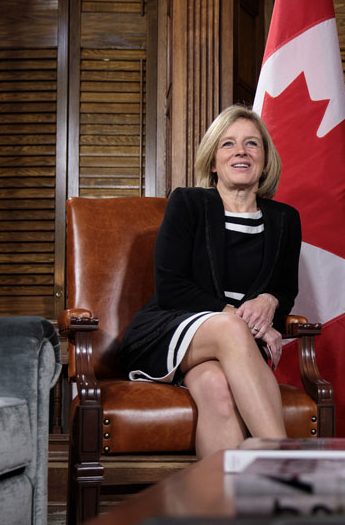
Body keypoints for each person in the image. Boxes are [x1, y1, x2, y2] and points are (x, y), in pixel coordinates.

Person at [118, 105, 300, 457]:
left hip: (236, 347)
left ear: (265, 159)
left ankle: (222, 510)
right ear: (213, 161)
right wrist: (243, 321)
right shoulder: (188, 203)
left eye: (252, 144)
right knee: (230, 328)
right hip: (171, 328)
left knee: (218, 389)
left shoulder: (285, 220)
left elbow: (286, 289)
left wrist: (271, 301)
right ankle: (284, 465)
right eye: (228, 144)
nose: (241, 152)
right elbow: (171, 286)